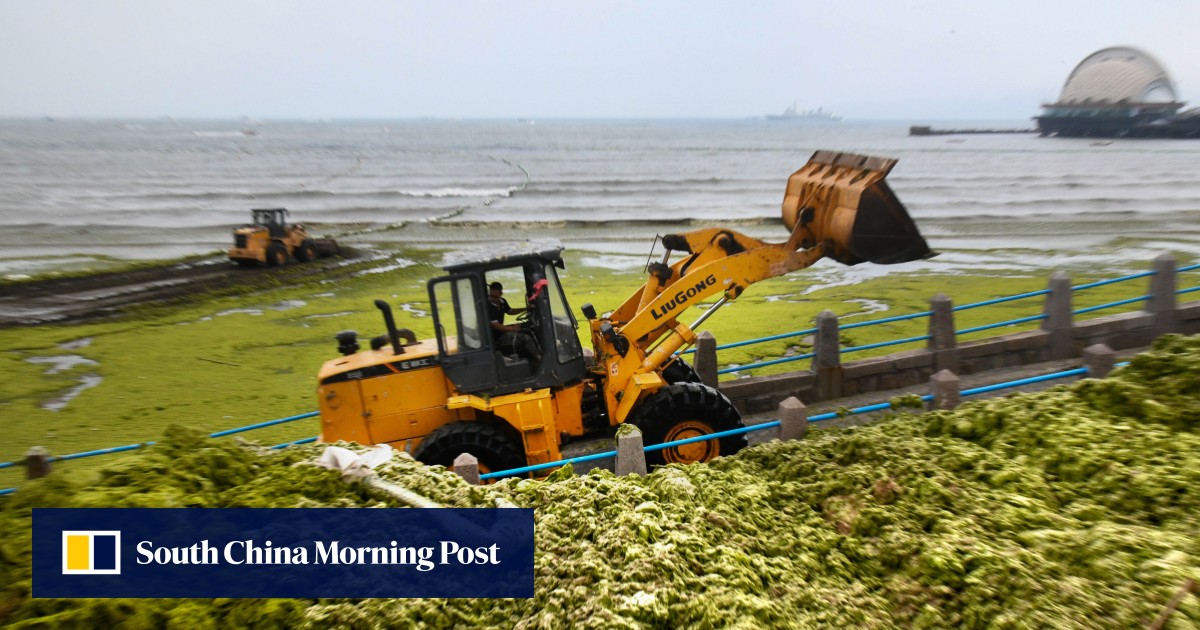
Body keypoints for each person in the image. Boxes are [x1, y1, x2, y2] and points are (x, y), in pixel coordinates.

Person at [487, 281, 541, 363]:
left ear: (501, 293)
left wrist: (525, 309)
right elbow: (496, 326)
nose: (493, 299)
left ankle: (531, 358)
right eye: (491, 296)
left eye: (495, 296)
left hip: (501, 331)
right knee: (526, 339)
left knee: (527, 329)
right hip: (495, 337)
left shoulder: (502, 302)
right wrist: (512, 328)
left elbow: (510, 311)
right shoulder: (488, 306)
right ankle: (540, 359)